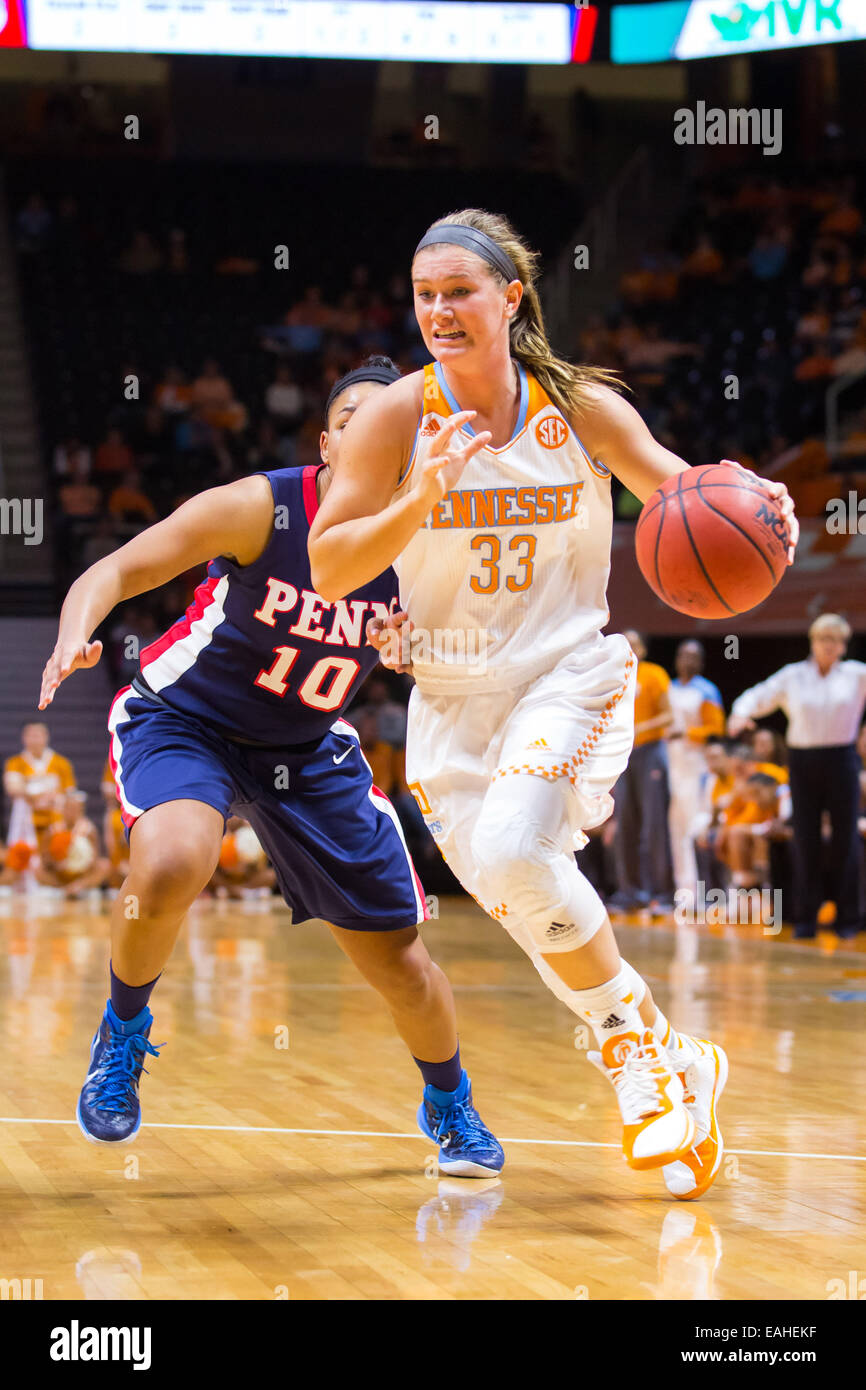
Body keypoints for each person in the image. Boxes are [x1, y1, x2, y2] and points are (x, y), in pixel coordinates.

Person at [308, 207, 798, 1198]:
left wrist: (758, 502)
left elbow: (682, 496)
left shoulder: (577, 406)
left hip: (566, 673)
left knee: (524, 846)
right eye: (423, 294)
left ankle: (630, 1057)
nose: (438, 309)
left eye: (458, 290)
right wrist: (420, 497)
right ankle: (667, 1051)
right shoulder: (397, 418)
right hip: (447, 702)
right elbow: (328, 564)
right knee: (520, 892)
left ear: (510, 297)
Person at [39, 355, 502, 1178]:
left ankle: (449, 1099)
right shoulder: (264, 506)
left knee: (401, 963)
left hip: (307, 749)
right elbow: (115, 569)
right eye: (354, 417)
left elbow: (457, 659)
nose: (374, 429)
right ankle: (122, 1031)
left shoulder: (434, 539)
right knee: (176, 857)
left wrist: (420, 651)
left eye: (392, 419)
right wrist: (77, 633)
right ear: (329, 442)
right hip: (188, 722)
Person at [729, 612, 866, 939]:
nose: (829, 645)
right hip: (803, 761)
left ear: (844, 644)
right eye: (824, 639)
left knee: (846, 839)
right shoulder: (794, 676)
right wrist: (740, 713)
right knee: (805, 840)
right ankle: (805, 917)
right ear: (813, 642)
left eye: (836, 640)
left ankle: (848, 918)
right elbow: (759, 694)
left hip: (841, 759)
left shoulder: (856, 675)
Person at [609, 629, 674, 915]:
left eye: (634, 643)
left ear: (643, 650)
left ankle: (662, 894)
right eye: (625, 643)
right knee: (625, 825)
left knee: (654, 825)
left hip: (649, 752)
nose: (630, 647)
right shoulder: (612, 675)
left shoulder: (654, 674)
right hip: (622, 755)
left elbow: (669, 716)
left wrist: (638, 729)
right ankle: (630, 893)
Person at [667, 641, 726, 894]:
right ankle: (683, 885)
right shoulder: (669, 688)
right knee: (675, 825)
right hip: (670, 763)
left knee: (694, 824)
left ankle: (705, 887)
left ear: (700, 662)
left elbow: (717, 730)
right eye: (683, 655)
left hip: (696, 765)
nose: (687, 661)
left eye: (693, 656)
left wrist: (687, 733)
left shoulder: (707, 691)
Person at [3, 721, 76, 851]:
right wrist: (38, 795)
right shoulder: (15, 763)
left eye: (37, 735)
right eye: (30, 735)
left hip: (55, 822)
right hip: (26, 822)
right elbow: (12, 788)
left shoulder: (62, 763)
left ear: (46, 736)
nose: (34, 740)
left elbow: (70, 794)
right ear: (23, 738)